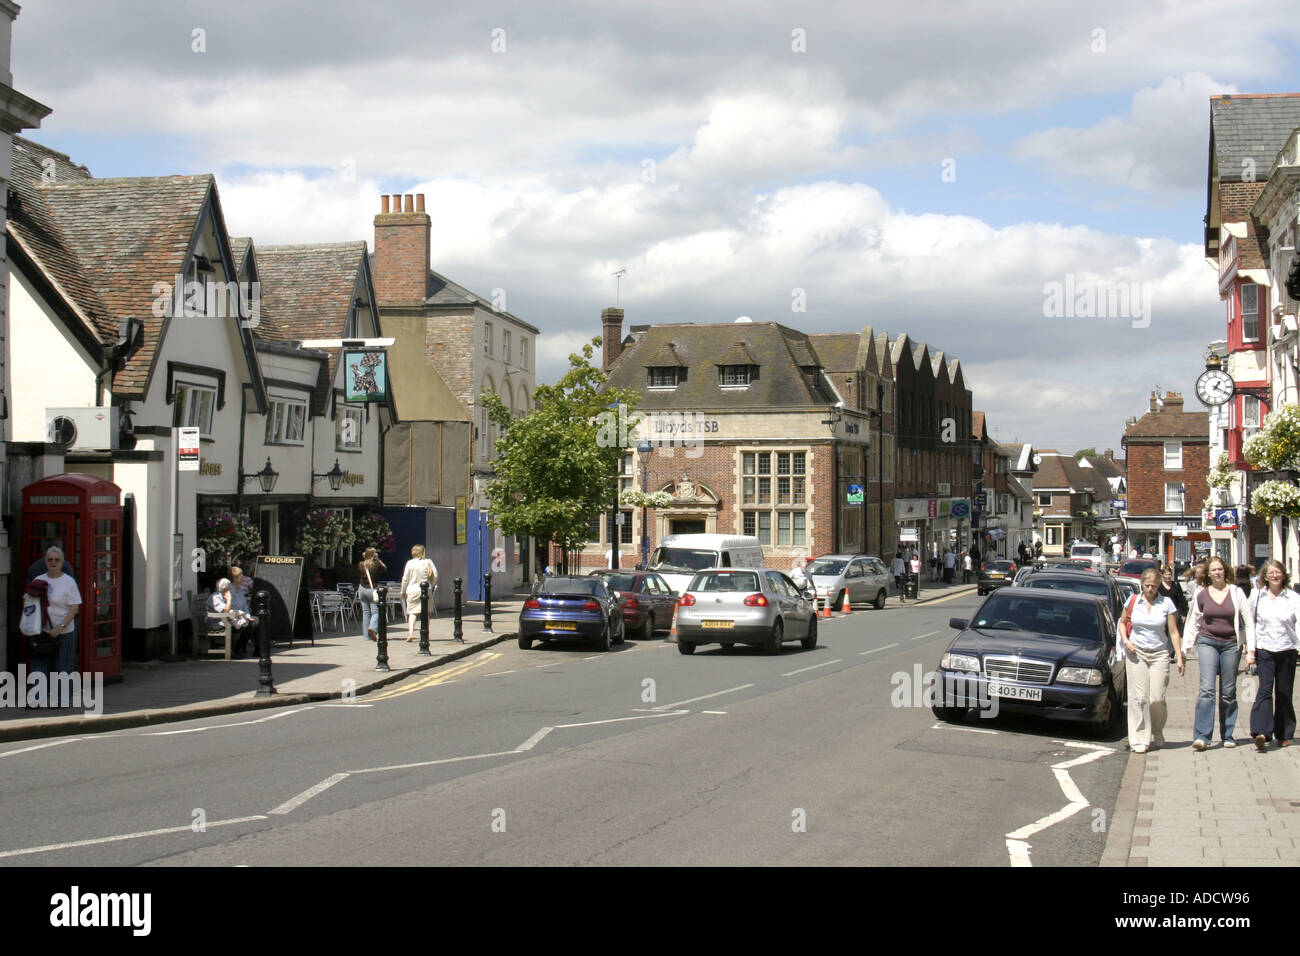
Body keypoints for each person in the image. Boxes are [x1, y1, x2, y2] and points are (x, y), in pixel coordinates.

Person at [1180, 556, 1250, 751]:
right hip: (1207, 642)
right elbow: (1193, 622)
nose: (1217, 572)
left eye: (1220, 569)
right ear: (1208, 574)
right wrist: (1185, 649)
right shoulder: (1201, 594)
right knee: (1207, 689)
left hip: (1231, 645)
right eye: (1213, 570)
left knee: (1228, 692)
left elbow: (1248, 621)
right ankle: (1202, 736)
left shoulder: (1236, 593)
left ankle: (1228, 734)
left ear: (1225, 571)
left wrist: (1250, 649)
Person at [1119, 568, 1184, 753]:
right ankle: (1139, 739)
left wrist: (1179, 656)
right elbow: (1122, 623)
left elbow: (1173, 631)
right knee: (1138, 698)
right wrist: (1126, 641)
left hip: (1159, 654)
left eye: (1154, 586)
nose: (1150, 589)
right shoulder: (1133, 601)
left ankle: (1157, 730)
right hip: (1136, 653)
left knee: (1156, 698)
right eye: (1147, 585)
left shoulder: (1166, 603)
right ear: (1142, 584)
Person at [1245, 559, 1300, 751]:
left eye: (1278, 572)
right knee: (1265, 689)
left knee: (1284, 692)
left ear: (1283, 575)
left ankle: (1284, 733)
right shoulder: (1257, 596)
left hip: (1287, 649)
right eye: (1271, 573)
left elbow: (1299, 623)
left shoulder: (1292, 598)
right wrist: (1251, 650)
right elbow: (1250, 624)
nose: (1275, 576)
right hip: (1265, 649)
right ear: (1265, 577)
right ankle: (1262, 732)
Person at [34, 547, 81, 707]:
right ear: (45, 562)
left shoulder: (68, 582)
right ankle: (38, 697)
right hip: (42, 631)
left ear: (62, 562)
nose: (53, 562)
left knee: (64, 665)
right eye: (50, 559)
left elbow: (74, 608)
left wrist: (60, 627)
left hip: (65, 631)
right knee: (40, 664)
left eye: (57, 560)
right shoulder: (39, 580)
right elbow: (30, 604)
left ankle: (63, 698)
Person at [209, 577, 257, 657]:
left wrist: (241, 614)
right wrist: (229, 599)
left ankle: (238, 649)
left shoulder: (223, 596)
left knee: (245, 624)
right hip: (215, 622)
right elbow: (226, 610)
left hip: (223, 619)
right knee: (240, 625)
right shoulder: (216, 597)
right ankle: (233, 650)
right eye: (229, 588)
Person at [400, 544, 438, 642]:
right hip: (425, 589)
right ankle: (425, 634)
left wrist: (403, 591)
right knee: (425, 613)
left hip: (412, 590)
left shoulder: (409, 563)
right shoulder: (428, 562)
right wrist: (432, 585)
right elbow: (435, 575)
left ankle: (411, 633)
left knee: (412, 613)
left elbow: (405, 578)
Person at [356, 547, 387, 641]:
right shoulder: (376, 564)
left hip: (362, 589)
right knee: (376, 612)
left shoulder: (361, 564)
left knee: (365, 612)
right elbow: (385, 569)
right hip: (372, 590)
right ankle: (373, 628)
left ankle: (366, 636)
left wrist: (365, 557)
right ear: (374, 555)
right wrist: (378, 559)